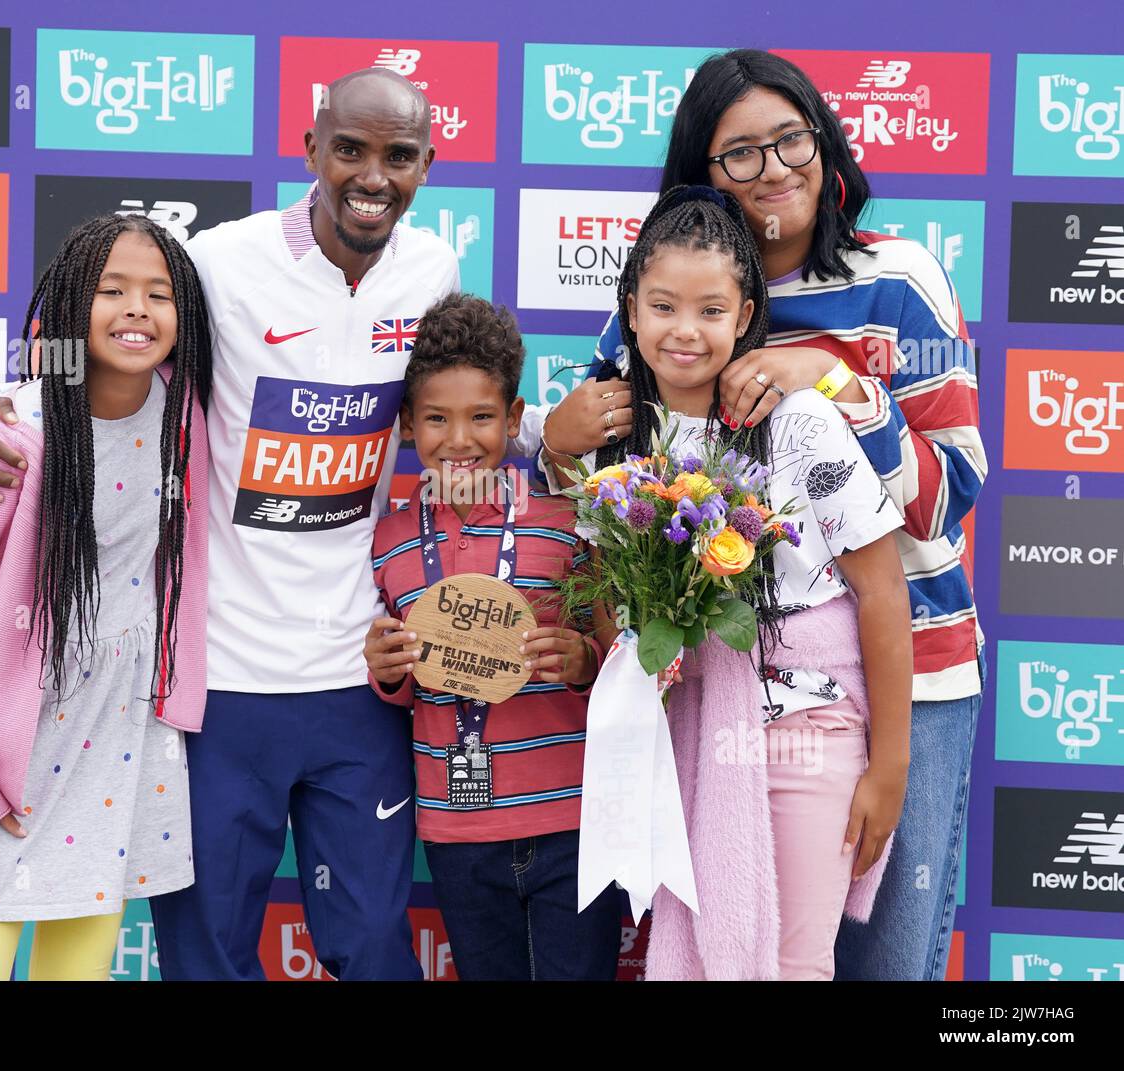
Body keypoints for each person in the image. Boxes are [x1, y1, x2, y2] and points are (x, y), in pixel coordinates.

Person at [0, 69, 549, 981]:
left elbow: (459, 400)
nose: (371, 176)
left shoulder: (431, 270)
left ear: (426, 166)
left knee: (374, 949)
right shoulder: (222, 261)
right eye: (350, 150)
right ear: (311, 151)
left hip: (356, 676)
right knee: (208, 956)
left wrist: (542, 431)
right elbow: (102, 338)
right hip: (217, 688)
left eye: (399, 156)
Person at [543, 49, 986, 981]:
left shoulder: (898, 276)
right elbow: (617, 484)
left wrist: (828, 376)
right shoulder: (667, 286)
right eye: (739, 153)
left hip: (909, 664)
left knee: (883, 960)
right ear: (701, 173)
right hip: (726, 691)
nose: (773, 168)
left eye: (791, 139)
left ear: (824, 143)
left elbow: (950, 493)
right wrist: (553, 439)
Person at [564, 184, 911, 980]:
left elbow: (884, 591)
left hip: (806, 738)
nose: (685, 332)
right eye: (662, 306)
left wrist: (888, 767)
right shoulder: (612, 442)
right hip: (680, 748)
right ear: (629, 308)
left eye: (711, 310)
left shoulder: (798, 422)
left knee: (791, 968)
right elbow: (607, 600)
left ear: (747, 312)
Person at [0, 213, 211, 980]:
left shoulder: (186, 418)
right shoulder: (14, 438)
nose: (137, 308)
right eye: (111, 289)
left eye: (159, 293)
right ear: (67, 307)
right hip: (4, 764)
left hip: (124, 748)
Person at [364, 294, 623, 981]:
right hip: (456, 831)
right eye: (436, 419)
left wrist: (580, 661)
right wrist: (387, 670)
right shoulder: (386, 542)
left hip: (571, 820)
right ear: (407, 426)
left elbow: (609, 654)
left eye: (481, 417)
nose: (459, 439)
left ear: (514, 419)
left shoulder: (566, 517)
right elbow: (394, 689)